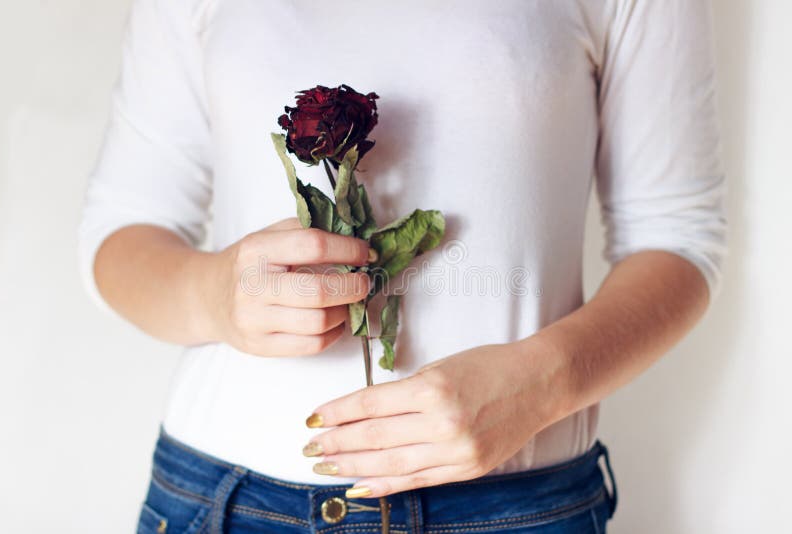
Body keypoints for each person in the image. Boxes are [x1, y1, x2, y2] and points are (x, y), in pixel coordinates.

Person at [78, 0, 726, 532]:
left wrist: (544, 381)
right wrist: (215, 294)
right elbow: (122, 230)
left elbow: (678, 239)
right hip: (228, 500)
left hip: (514, 507)